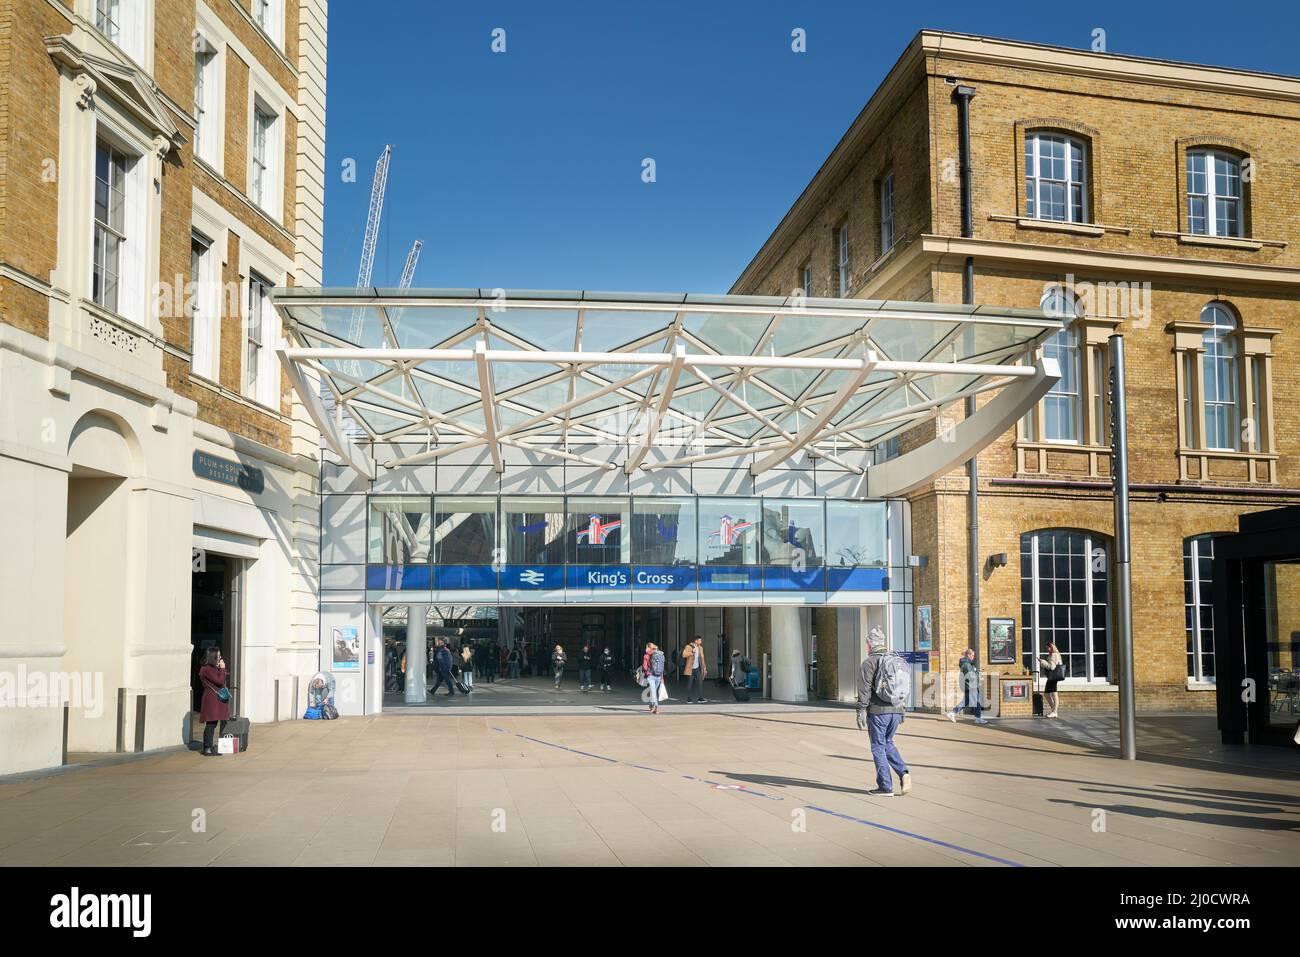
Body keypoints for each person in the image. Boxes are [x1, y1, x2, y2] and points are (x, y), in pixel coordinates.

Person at [857, 631, 910, 796]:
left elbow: (864, 690)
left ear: (870, 644)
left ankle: (885, 787)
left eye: (867, 644)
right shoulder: (895, 661)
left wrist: (860, 710)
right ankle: (904, 773)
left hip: (878, 712)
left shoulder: (869, 662)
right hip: (895, 709)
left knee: (878, 747)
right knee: (888, 742)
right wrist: (902, 709)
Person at [197, 647, 230, 756]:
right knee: (211, 723)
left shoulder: (211, 668)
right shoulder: (206, 669)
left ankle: (209, 746)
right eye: (218, 656)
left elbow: (220, 678)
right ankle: (207, 748)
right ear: (212, 657)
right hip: (212, 700)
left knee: (213, 723)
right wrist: (222, 668)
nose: (220, 658)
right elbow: (219, 681)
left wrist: (222, 669)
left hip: (215, 699)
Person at [947, 648, 988, 725]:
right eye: (972, 655)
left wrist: (975, 671)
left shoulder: (966, 663)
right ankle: (978, 718)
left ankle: (952, 713)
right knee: (977, 702)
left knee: (966, 701)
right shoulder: (967, 664)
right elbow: (971, 677)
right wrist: (978, 673)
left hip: (968, 686)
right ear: (968, 655)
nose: (973, 657)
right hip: (971, 686)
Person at [1037, 642, 1063, 718]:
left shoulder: (1054, 655)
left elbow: (1051, 667)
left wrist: (1043, 662)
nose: (1046, 649)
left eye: (1047, 648)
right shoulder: (1053, 654)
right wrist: (1043, 662)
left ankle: (1054, 711)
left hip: (1053, 677)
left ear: (1051, 647)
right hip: (1052, 677)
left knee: (1054, 693)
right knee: (1047, 694)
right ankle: (1054, 710)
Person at [684, 635, 708, 703]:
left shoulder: (700, 648)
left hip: (697, 668)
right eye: (700, 640)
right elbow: (684, 654)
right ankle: (689, 698)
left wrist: (704, 668)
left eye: (701, 640)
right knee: (690, 683)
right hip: (690, 668)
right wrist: (691, 652)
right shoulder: (688, 646)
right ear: (696, 641)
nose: (701, 641)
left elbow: (702, 658)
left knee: (700, 682)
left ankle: (700, 698)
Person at [645, 642, 665, 715]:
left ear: (648, 648)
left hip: (651, 676)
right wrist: (662, 678)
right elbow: (661, 666)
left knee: (653, 693)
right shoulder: (659, 654)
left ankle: (655, 707)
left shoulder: (646, 655)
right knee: (654, 692)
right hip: (659, 676)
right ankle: (654, 706)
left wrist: (646, 673)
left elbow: (645, 667)